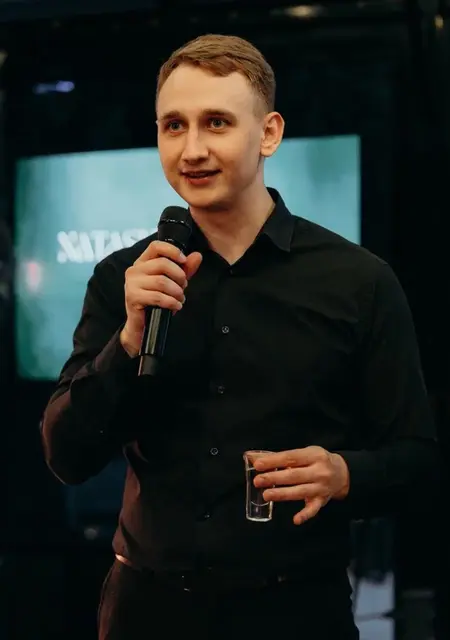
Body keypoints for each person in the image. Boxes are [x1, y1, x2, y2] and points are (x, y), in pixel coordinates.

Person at [41, 34, 439, 640]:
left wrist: (345, 475)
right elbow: (66, 456)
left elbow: (417, 460)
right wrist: (127, 343)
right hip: (148, 610)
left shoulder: (358, 281)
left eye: (217, 123)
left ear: (268, 133)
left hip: (294, 611)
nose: (192, 149)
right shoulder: (126, 277)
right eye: (174, 126)